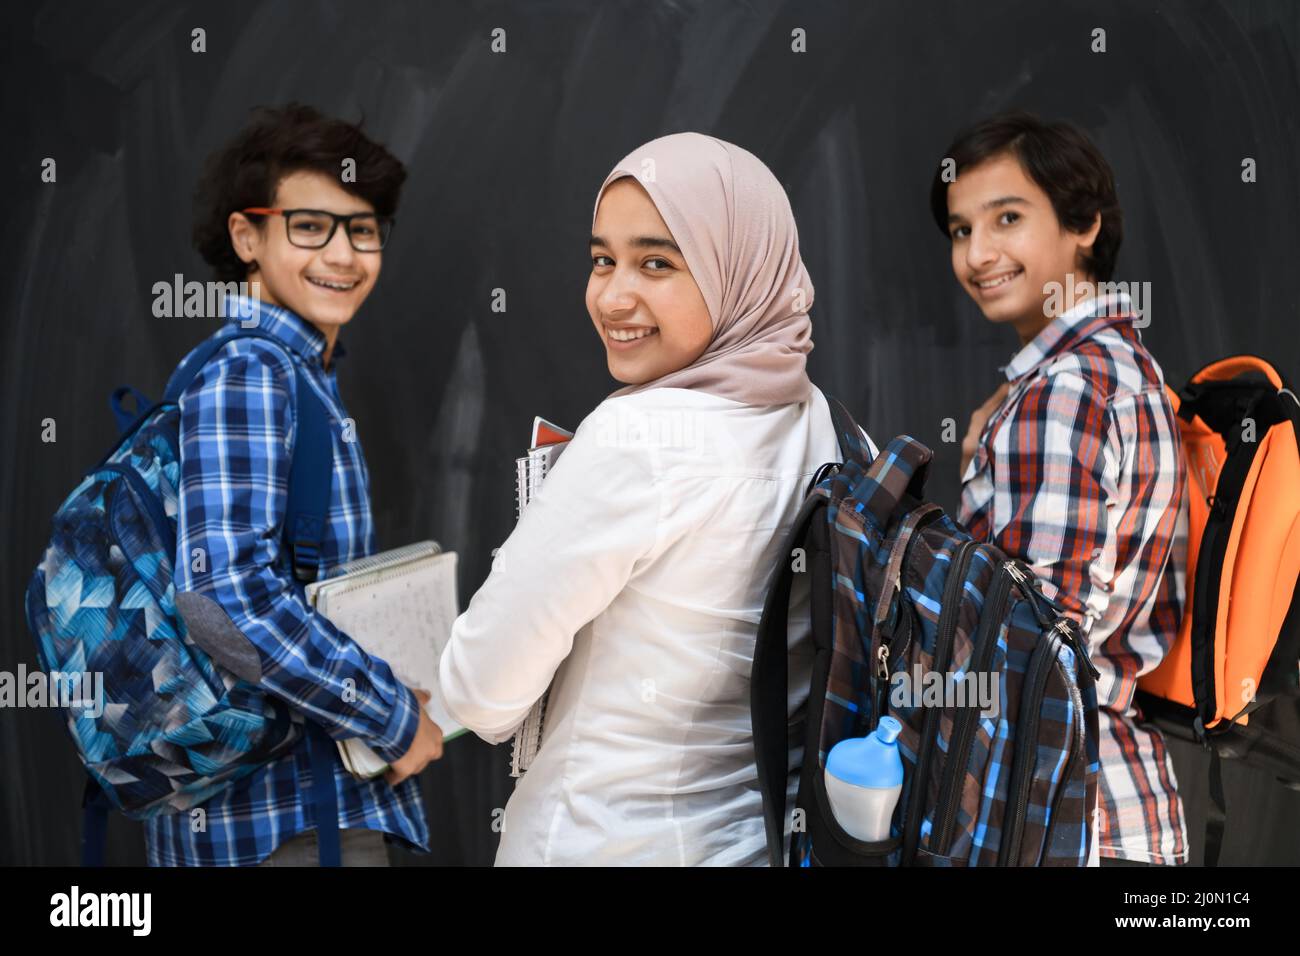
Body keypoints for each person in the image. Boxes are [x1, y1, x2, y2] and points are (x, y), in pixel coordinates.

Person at [438, 132, 875, 865]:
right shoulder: (830, 427)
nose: (612, 295)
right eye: (602, 259)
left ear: (739, 267)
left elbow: (483, 694)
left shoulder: (636, 436)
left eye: (657, 262)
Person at [146, 103, 443, 866]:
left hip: (295, 813)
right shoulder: (252, 371)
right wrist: (389, 716)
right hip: (284, 824)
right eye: (310, 227)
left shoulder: (292, 373)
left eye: (363, 228)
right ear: (247, 237)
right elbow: (224, 595)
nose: (343, 255)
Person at [933, 110, 1188, 866]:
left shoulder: (1067, 392)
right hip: (1120, 806)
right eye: (958, 230)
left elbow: (1037, 654)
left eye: (1007, 218)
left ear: (1084, 224)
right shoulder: (1123, 370)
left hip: (1061, 819)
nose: (979, 254)